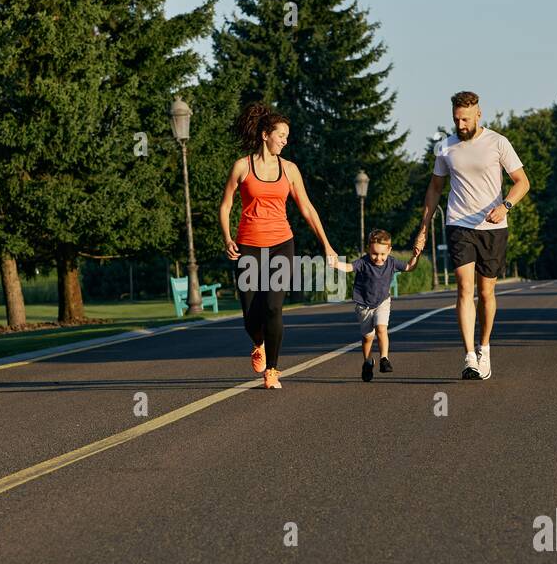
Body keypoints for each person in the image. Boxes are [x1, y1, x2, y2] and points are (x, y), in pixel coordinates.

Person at [218, 102, 337, 389]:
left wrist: (327, 245)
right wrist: (227, 238)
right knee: (250, 315)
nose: (285, 140)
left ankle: (272, 369)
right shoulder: (241, 167)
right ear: (264, 135)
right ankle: (258, 342)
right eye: (281, 135)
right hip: (247, 246)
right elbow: (225, 206)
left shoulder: (290, 169)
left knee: (273, 307)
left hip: (281, 243)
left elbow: (307, 208)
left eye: (286, 136)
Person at [414, 90, 531, 380]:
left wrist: (506, 206)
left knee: (486, 292)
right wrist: (424, 226)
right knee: (464, 289)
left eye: (466, 119)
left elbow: (522, 182)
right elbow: (435, 188)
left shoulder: (498, 143)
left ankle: (484, 348)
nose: (461, 125)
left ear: (479, 114)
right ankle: (469, 356)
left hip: (492, 227)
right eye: (456, 119)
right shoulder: (445, 148)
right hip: (459, 224)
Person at [330, 229, 421, 382]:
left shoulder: (391, 262)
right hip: (363, 305)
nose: (378, 258)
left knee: (381, 328)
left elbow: (409, 267)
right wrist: (336, 264)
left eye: (382, 254)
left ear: (389, 250)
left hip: (382, 302)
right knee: (367, 338)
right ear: (368, 250)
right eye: (374, 254)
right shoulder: (363, 262)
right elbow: (349, 268)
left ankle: (384, 359)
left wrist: (415, 256)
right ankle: (367, 362)